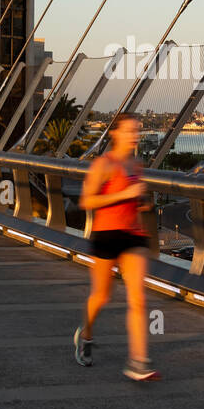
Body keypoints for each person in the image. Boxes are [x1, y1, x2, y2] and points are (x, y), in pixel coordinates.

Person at [74, 113, 161, 382]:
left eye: (137, 131)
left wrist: (142, 203)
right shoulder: (104, 164)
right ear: (115, 133)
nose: (134, 135)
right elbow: (86, 201)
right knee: (101, 296)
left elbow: (137, 199)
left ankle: (138, 362)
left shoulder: (137, 164)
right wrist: (124, 194)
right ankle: (85, 336)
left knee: (138, 298)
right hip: (106, 234)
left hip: (133, 235)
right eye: (129, 131)